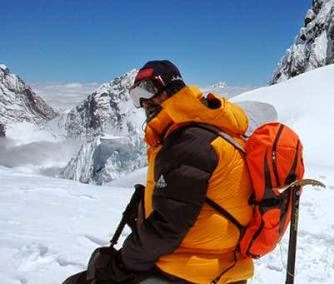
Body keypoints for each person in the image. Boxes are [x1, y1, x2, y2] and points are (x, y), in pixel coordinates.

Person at [67, 60, 254, 283]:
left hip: (193, 271)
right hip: (211, 262)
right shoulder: (203, 132)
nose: (144, 102)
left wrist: (119, 265)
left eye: (148, 90)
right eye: (136, 97)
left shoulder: (190, 143)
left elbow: (166, 229)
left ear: (172, 88)